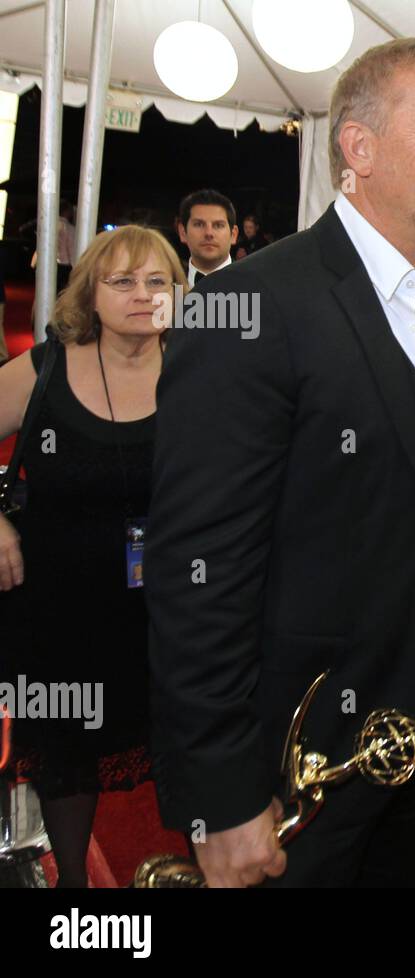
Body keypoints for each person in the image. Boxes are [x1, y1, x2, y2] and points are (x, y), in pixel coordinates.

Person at [146, 37, 415, 888]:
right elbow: (198, 571)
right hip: (286, 760)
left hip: (405, 731)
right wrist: (223, 795)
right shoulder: (248, 307)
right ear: (359, 148)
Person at [0, 225, 183, 886]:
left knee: (185, 742)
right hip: (57, 609)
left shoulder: (201, 371)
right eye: (123, 281)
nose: (142, 295)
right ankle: (74, 885)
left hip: (171, 607)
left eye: (157, 281)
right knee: (66, 753)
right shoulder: (46, 366)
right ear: (90, 292)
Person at [176, 189, 238, 285]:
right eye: (199, 224)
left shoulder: (257, 286)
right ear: (183, 232)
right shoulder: (164, 288)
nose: (209, 233)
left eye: (218, 225)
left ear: (233, 235)